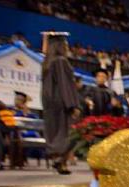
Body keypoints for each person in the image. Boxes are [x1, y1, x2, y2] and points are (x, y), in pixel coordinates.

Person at [41, 31, 82, 175]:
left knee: (56, 132)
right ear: (59, 46)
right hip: (62, 103)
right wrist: (73, 105)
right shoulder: (61, 61)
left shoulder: (47, 62)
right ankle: (61, 162)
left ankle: (59, 161)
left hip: (51, 104)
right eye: (65, 44)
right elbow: (65, 85)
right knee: (69, 133)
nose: (67, 47)